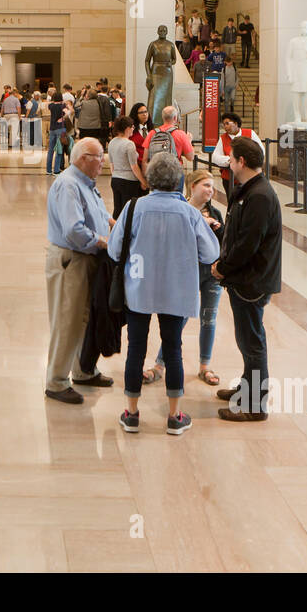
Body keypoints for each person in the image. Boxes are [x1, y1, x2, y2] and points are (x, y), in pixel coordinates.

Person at [110, 153, 219, 435]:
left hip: (138, 289)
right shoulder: (190, 214)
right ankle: (174, 416)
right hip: (177, 290)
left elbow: (113, 249)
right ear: (178, 180)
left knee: (136, 348)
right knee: (173, 349)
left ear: (151, 178)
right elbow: (211, 253)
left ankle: (131, 413)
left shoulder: (134, 208)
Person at [212, 136, 281, 422]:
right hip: (245, 278)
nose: (228, 161)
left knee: (252, 342)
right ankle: (247, 387)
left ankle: (254, 405)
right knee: (246, 338)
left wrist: (223, 267)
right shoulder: (249, 190)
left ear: (241, 161)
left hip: (251, 280)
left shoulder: (260, 196)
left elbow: (247, 243)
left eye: (231, 158)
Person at [44, 137, 113, 404]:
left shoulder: (86, 183)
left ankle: (83, 371)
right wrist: (102, 240)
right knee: (67, 321)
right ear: (83, 158)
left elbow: (99, 213)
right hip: (71, 260)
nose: (103, 161)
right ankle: (57, 382)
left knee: (83, 319)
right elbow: (73, 229)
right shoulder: (69, 185)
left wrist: (114, 225)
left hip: (87, 259)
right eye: (99, 156)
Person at [143, 168, 226, 387]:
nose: (211, 190)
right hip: (187, 273)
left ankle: (204, 366)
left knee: (209, 318)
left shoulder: (215, 214)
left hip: (211, 274)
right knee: (177, 320)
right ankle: (160, 364)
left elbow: (221, 244)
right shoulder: (181, 211)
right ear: (192, 186)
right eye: (206, 185)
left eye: (212, 186)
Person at [108, 116, 148, 219]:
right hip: (129, 181)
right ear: (127, 129)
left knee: (117, 209)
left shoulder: (112, 142)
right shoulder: (129, 144)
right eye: (132, 127)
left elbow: (111, 164)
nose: (133, 129)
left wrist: (116, 175)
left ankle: (114, 232)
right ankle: (127, 233)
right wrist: (143, 181)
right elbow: (134, 166)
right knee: (129, 210)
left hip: (115, 179)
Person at [142, 104, 193, 169]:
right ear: (175, 118)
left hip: (155, 172)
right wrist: (189, 141)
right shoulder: (181, 134)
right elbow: (190, 157)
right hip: (174, 172)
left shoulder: (152, 133)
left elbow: (145, 160)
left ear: (163, 117)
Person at [46, 91, 69, 175]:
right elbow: (68, 113)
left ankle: (48, 170)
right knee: (59, 149)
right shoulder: (62, 106)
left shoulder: (51, 106)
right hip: (60, 128)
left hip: (52, 128)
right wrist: (62, 118)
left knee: (50, 150)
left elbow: (51, 104)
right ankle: (56, 170)